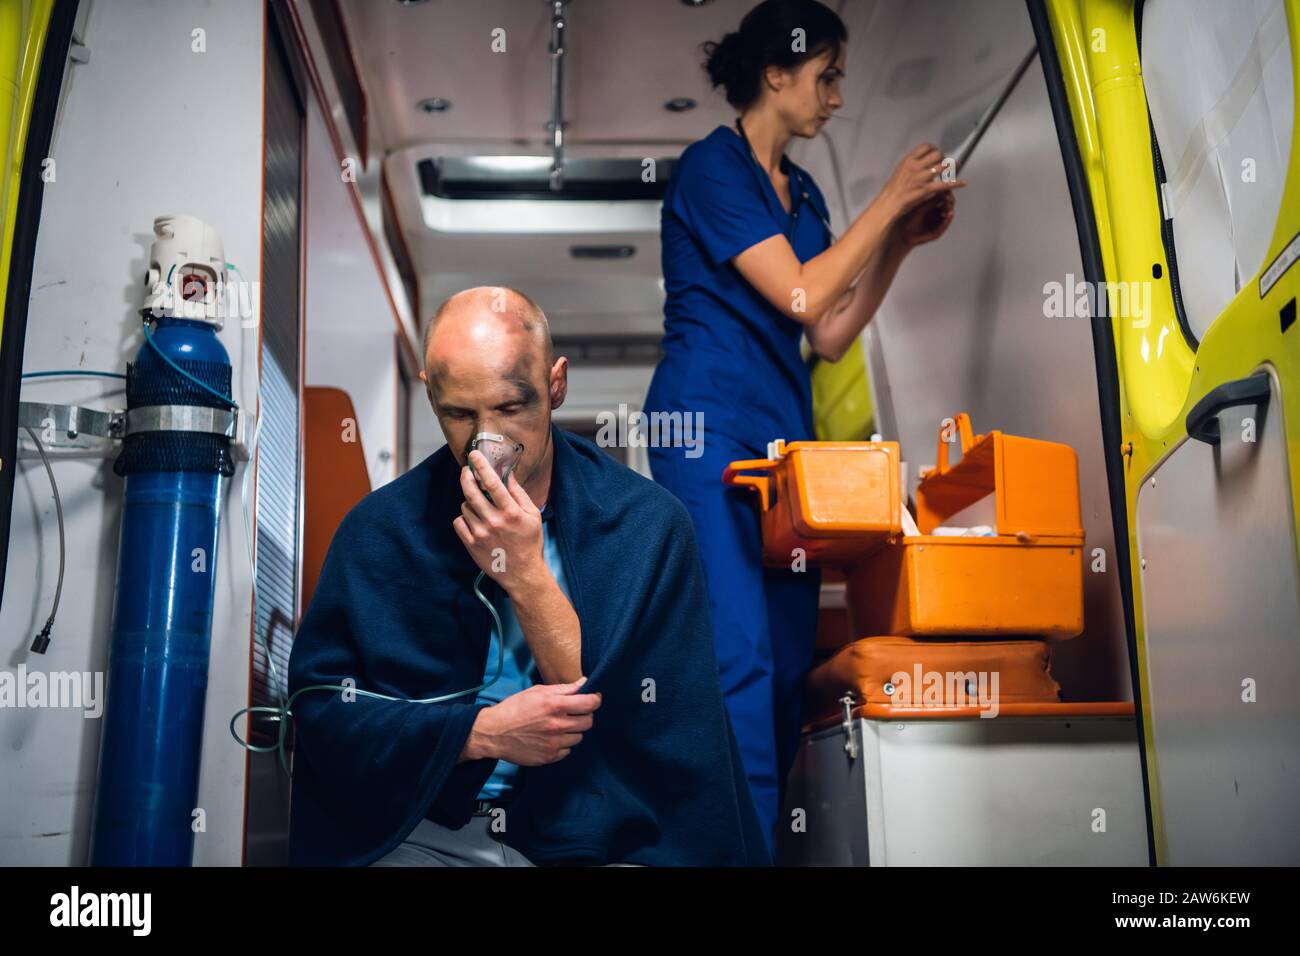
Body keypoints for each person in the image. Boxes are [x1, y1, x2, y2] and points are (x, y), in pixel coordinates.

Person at [287, 287, 769, 866]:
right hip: (428, 825)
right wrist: (477, 734)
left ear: (556, 384)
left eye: (512, 409)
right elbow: (322, 713)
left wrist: (522, 569)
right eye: (461, 415)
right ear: (431, 394)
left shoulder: (647, 524)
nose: (487, 443)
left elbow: (615, 712)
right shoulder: (379, 531)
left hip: (599, 828)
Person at [642, 0, 961, 851]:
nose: (837, 97)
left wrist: (898, 241)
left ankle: (750, 842)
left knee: (786, 668)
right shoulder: (713, 168)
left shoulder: (808, 190)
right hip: (704, 432)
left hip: (784, 448)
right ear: (775, 73)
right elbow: (802, 292)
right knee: (739, 658)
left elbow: (826, 333)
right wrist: (891, 193)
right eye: (828, 76)